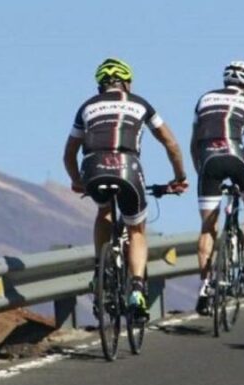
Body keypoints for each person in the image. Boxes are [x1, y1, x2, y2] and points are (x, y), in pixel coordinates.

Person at [63, 58, 188, 317]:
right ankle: (137, 290)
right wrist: (179, 177)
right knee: (136, 229)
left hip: (93, 166)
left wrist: (76, 180)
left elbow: (69, 153)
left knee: (104, 211)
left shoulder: (86, 107)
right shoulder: (141, 104)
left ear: (100, 86)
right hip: (128, 167)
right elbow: (171, 144)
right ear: (127, 83)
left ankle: (100, 272)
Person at [190, 61, 244, 315]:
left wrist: (202, 173)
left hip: (208, 163)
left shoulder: (204, 99)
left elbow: (194, 144)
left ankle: (205, 287)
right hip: (236, 156)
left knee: (208, 227)